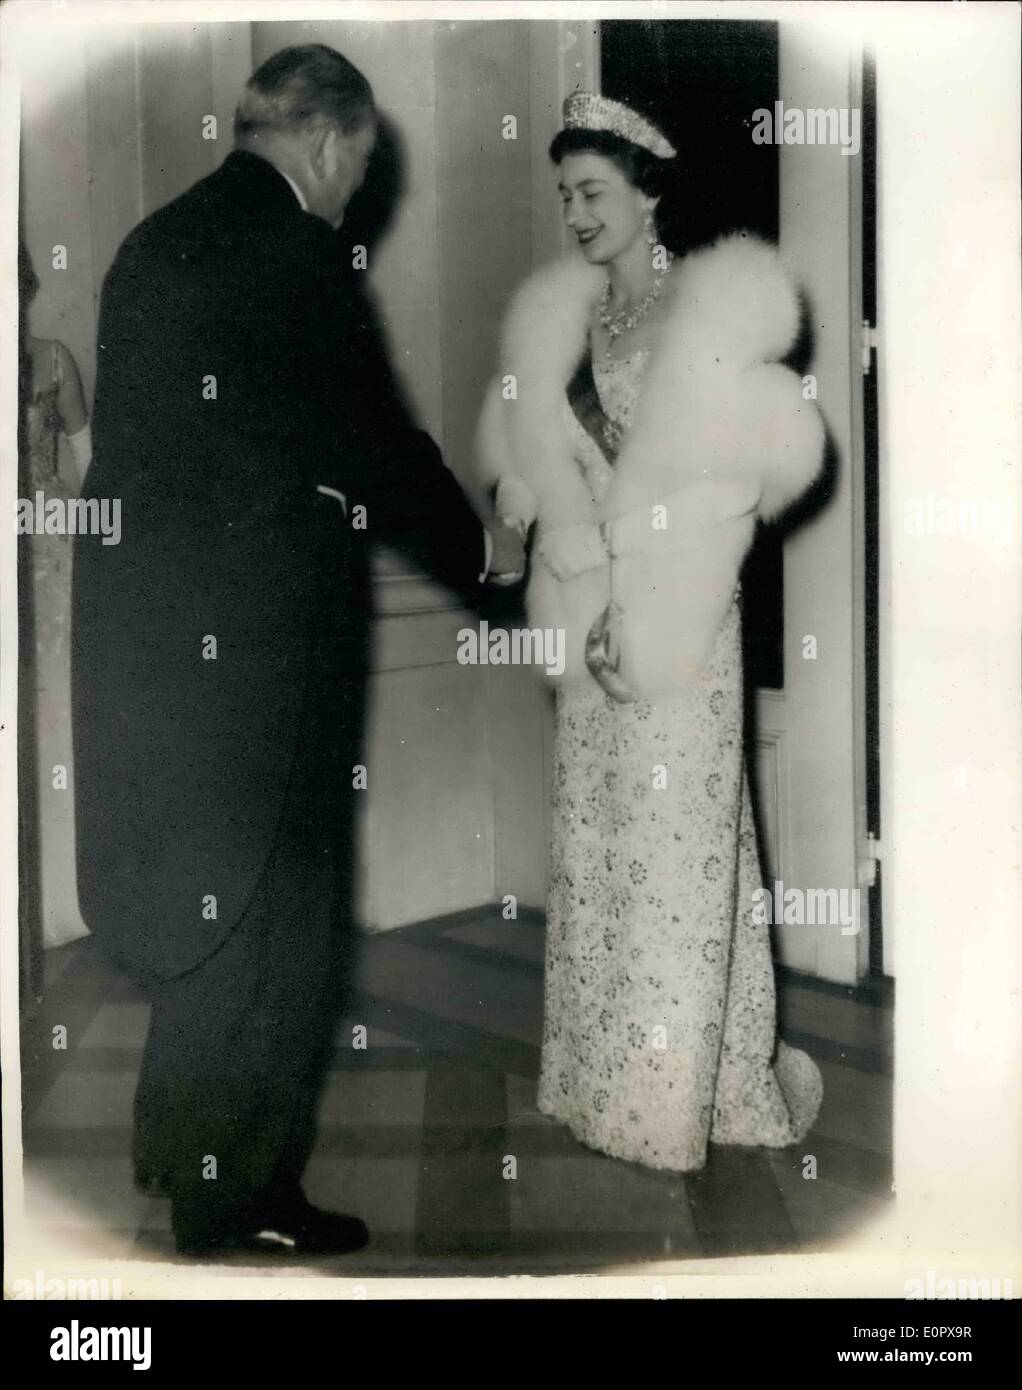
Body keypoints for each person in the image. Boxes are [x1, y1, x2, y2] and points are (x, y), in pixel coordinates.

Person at [71, 44, 523, 1259]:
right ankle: (241, 1202)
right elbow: (373, 443)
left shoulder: (152, 244)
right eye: (358, 168)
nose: (352, 195)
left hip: (149, 652)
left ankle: (175, 1147)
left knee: (200, 904)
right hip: (265, 650)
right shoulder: (296, 257)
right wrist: (482, 554)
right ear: (326, 142)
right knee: (281, 919)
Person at [475, 92, 825, 1172]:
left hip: (678, 630)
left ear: (647, 191)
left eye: (592, 192)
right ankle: (598, 1082)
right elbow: (541, 464)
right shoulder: (570, 323)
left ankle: (675, 1102)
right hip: (588, 623)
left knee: (680, 860)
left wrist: (645, 596)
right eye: (563, 195)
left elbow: (731, 484)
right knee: (599, 855)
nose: (574, 214)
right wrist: (551, 541)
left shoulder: (703, 320)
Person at [19, 239, 92, 974]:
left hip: (52, 539)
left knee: (59, 704)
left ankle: (70, 896)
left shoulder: (53, 358)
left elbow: (92, 461)